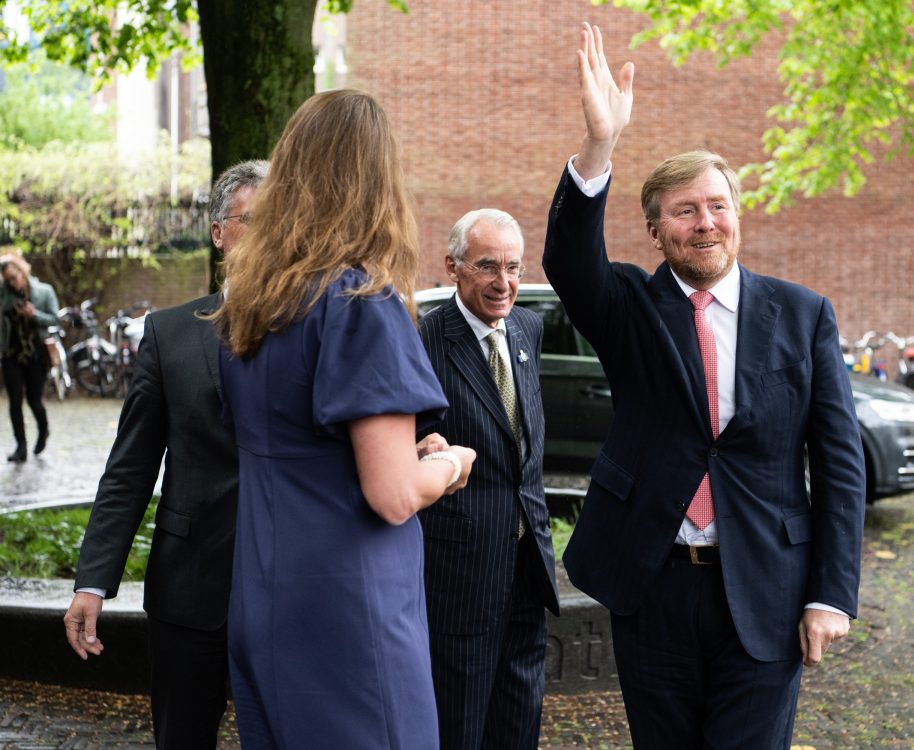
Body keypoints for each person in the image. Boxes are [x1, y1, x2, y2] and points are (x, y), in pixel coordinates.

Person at [541, 24, 867, 749]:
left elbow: (839, 464)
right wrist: (599, 148)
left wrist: (830, 592)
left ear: (737, 214)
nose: (705, 223)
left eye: (717, 205)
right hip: (651, 582)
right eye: (684, 211)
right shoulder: (628, 307)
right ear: (655, 229)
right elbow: (567, 259)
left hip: (766, 585)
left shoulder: (803, 314)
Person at [212, 88, 476, 749]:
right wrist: (448, 464)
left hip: (264, 593)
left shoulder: (252, 305)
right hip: (349, 609)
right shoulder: (360, 299)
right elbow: (390, 496)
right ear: (376, 179)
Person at [63, 160, 268, 749]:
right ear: (218, 232)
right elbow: (129, 469)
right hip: (191, 590)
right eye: (253, 220)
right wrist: (93, 582)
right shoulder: (170, 335)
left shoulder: (314, 328)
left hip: (288, 587)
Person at [417, 209, 560, 750]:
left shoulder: (527, 327)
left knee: (519, 722)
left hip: (527, 566)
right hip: (459, 576)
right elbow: (407, 448)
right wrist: (424, 447)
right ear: (452, 266)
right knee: (459, 726)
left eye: (514, 268)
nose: (504, 283)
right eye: (487, 267)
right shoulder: (424, 341)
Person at [0, 254, 60, 462]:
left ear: (22, 272)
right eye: (7, 280)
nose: (12, 283)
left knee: (35, 400)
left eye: (14, 277)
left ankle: (43, 430)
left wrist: (34, 315)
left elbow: (55, 319)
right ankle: (21, 446)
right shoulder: (4, 295)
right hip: (11, 354)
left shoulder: (44, 292)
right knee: (14, 401)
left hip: (36, 355)